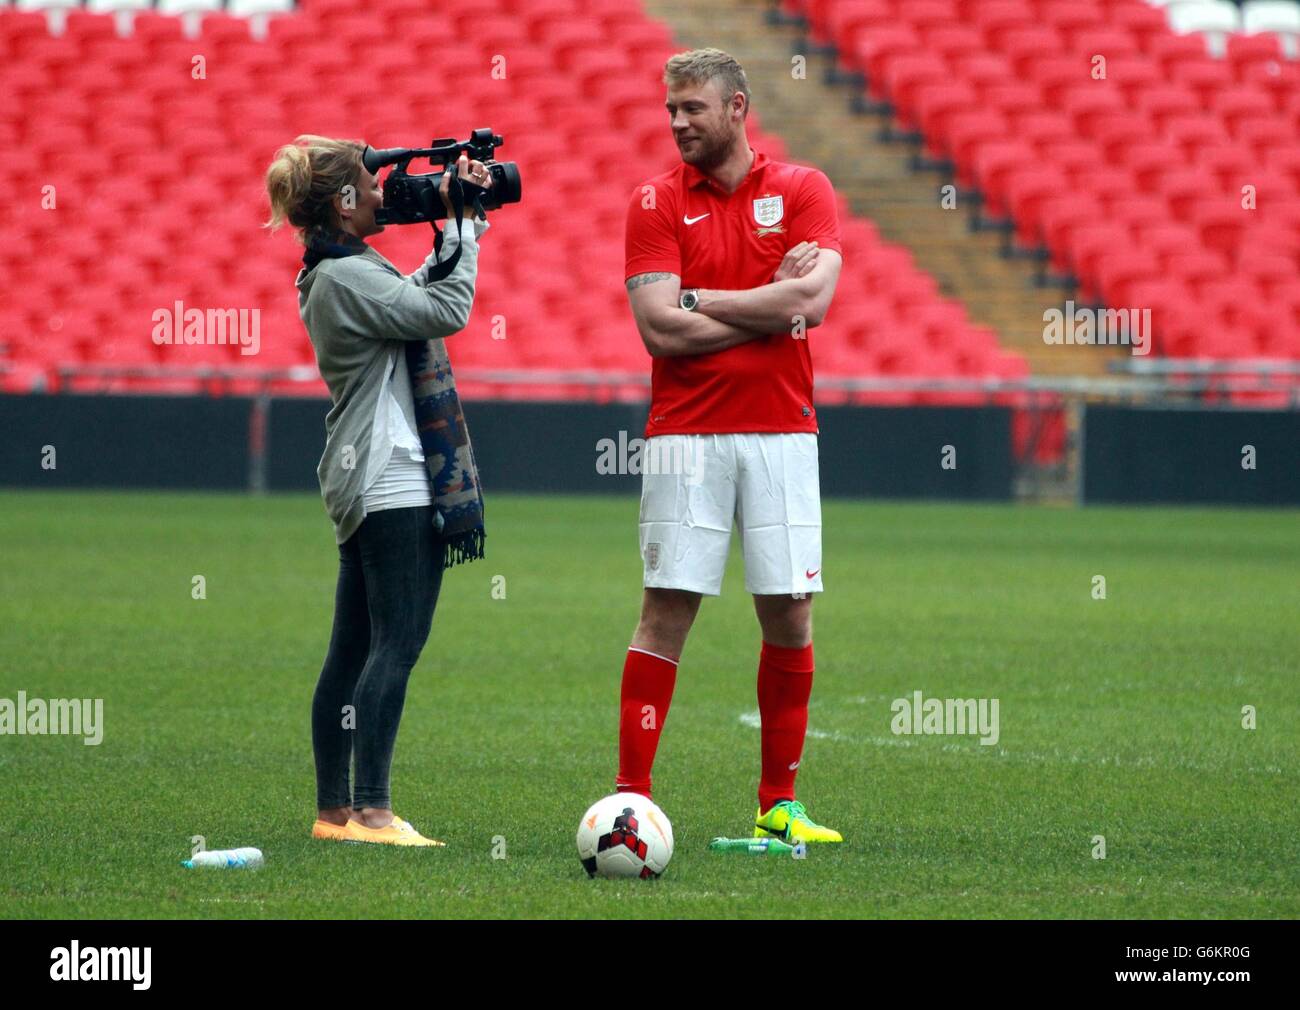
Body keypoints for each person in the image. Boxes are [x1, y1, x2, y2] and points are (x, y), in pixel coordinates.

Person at [620, 49, 845, 843]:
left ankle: (778, 807)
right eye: (671, 108)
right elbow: (659, 329)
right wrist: (766, 299)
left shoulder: (804, 189)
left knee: (790, 612)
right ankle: (629, 800)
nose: (678, 121)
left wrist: (705, 298)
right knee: (665, 611)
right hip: (684, 434)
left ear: (737, 106)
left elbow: (812, 303)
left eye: (693, 108)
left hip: (784, 430)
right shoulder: (651, 202)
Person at [264, 135, 492, 846]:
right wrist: (458, 227)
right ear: (343, 201)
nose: (383, 193)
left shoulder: (339, 269)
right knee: (397, 643)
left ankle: (335, 813)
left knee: (352, 650)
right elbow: (442, 312)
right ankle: (373, 811)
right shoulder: (348, 275)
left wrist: (465, 224)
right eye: (370, 183)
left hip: (364, 471)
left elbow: (410, 299)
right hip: (392, 473)